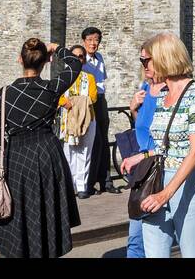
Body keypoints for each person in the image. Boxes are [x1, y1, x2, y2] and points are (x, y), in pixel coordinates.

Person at [0, 39, 84, 258]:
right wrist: (57, 48)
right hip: (47, 157)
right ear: (46, 61)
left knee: (2, 220)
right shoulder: (51, 89)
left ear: (20, 59)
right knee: (43, 219)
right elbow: (75, 64)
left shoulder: (5, 93)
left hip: (17, 160)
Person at [118, 32, 195, 258]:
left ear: (164, 58)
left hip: (189, 187)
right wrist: (141, 157)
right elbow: (164, 146)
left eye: (146, 61)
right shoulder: (163, 95)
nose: (144, 67)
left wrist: (165, 195)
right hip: (157, 182)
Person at [125, 39, 168, 258]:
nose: (143, 65)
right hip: (143, 171)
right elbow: (142, 129)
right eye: (141, 60)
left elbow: (168, 141)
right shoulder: (144, 88)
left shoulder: (171, 92)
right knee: (135, 240)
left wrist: (143, 155)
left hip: (163, 169)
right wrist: (133, 109)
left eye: (146, 60)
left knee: (158, 240)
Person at [59, 45, 99, 198]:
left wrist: (73, 102)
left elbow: (93, 97)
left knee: (84, 152)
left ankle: (82, 186)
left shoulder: (89, 78)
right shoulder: (63, 77)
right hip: (67, 119)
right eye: (74, 56)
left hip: (86, 119)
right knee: (68, 153)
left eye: (81, 56)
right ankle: (70, 186)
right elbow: (57, 96)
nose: (78, 59)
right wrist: (65, 102)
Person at [81, 27, 117, 195]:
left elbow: (102, 81)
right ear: (84, 41)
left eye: (96, 40)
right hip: (86, 102)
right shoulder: (80, 59)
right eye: (90, 40)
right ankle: (87, 183)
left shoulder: (100, 58)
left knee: (103, 140)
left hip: (100, 101)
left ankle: (106, 181)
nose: (93, 43)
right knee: (90, 142)